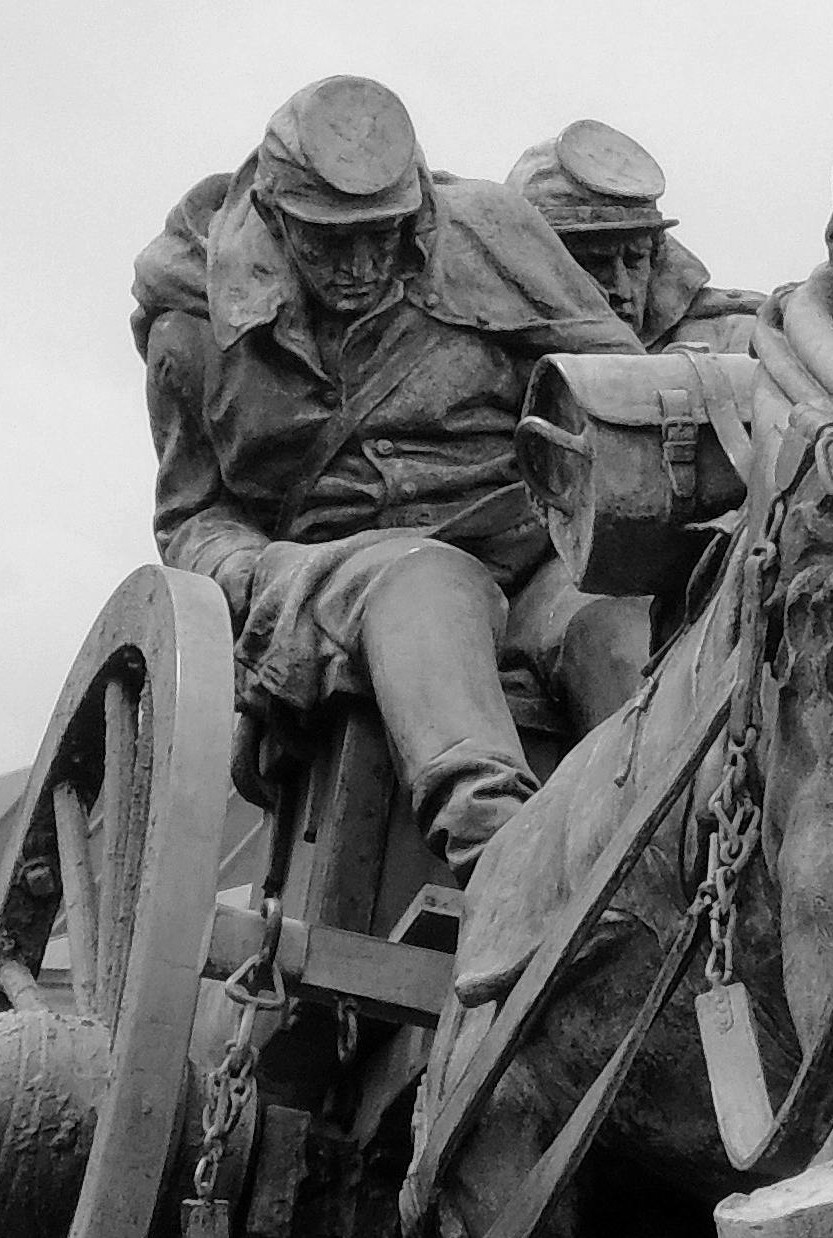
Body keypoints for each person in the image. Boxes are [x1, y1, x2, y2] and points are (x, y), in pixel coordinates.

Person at [139, 76, 642, 865]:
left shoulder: (494, 236)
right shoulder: (193, 328)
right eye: (329, 241)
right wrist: (242, 569)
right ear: (274, 218)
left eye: (384, 234)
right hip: (339, 572)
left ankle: (660, 843)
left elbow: (613, 387)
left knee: (619, 627)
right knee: (426, 581)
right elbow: (189, 516)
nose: (363, 263)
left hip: (534, 550)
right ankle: (500, 857)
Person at [504, 115, 764, 349]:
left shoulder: (735, 339)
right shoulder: (488, 355)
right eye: (596, 263)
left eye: (635, 261)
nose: (623, 289)